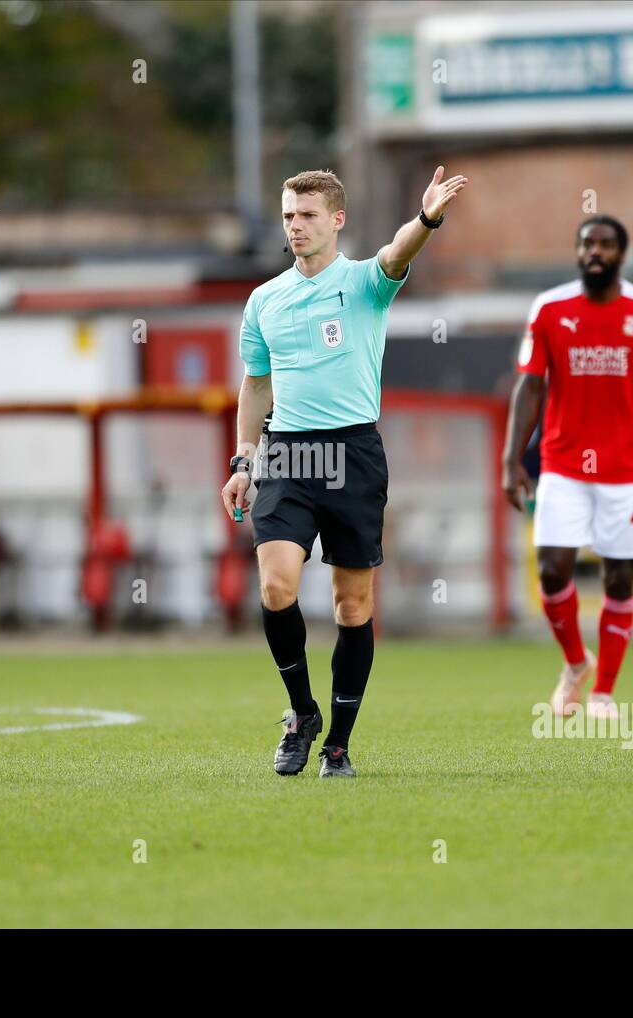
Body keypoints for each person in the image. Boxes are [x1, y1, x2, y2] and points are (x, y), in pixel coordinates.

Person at [221, 166, 468, 777]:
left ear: (336, 220)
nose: (295, 226)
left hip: (353, 454)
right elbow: (256, 385)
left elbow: (398, 250)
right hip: (287, 454)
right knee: (276, 586)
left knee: (351, 605)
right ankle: (302, 713)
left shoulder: (363, 283)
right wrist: (244, 460)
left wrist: (427, 218)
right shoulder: (264, 300)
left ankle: (338, 744)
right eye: (288, 215)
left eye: (307, 215)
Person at [503, 215, 633, 719]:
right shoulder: (550, 308)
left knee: (620, 580)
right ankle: (575, 663)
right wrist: (511, 458)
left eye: (605, 245)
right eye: (587, 244)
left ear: (621, 254)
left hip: (627, 471)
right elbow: (530, 386)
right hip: (563, 466)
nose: (595, 253)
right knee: (551, 570)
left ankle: (603, 693)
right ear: (578, 251)